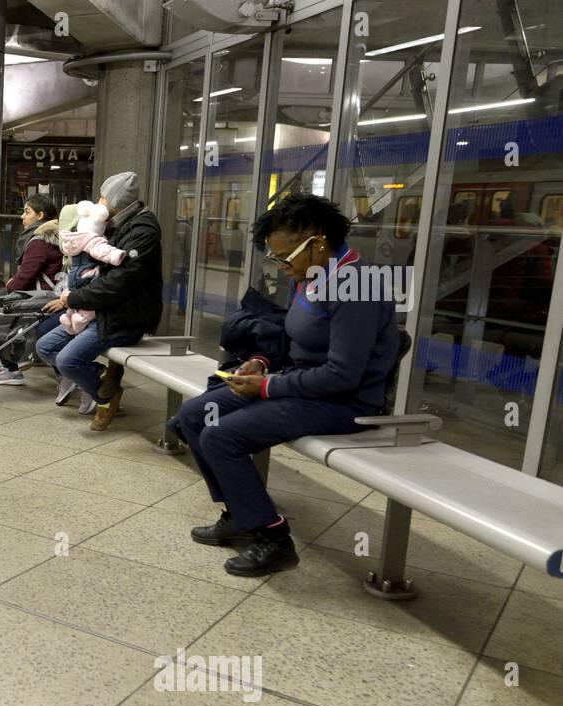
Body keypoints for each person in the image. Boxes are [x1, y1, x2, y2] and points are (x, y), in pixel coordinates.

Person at [170, 193, 400, 578]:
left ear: (318, 241)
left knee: (221, 437)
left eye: (284, 257)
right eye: (275, 258)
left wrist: (265, 388)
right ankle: (241, 514)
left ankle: (274, 538)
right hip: (299, 384)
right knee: (195, 416)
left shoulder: (358, 285)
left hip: (345, 401)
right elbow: (294, 342)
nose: (281, 266)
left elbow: (342, 375)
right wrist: (262, 362)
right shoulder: (313, 274)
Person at [35, 171, 163, 431]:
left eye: (103, 196)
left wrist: (73, 299)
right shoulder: (114, 224)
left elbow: (121, 281)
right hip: (97, 309)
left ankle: (106, 396)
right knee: (46, 347)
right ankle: (104, 378)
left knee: (68, 361)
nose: (99, 201)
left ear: (116, 200)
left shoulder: (142, 231)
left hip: (124, 315)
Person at [0, 194, 63, 387]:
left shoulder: (39, 240)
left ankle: (12, 367)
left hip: (41, 298)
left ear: (40, 215)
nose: (22, 217)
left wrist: (10, 286)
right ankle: (17, 363)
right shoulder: (56, 236)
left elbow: (26, 275)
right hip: (54, 294)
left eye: (27, 212)